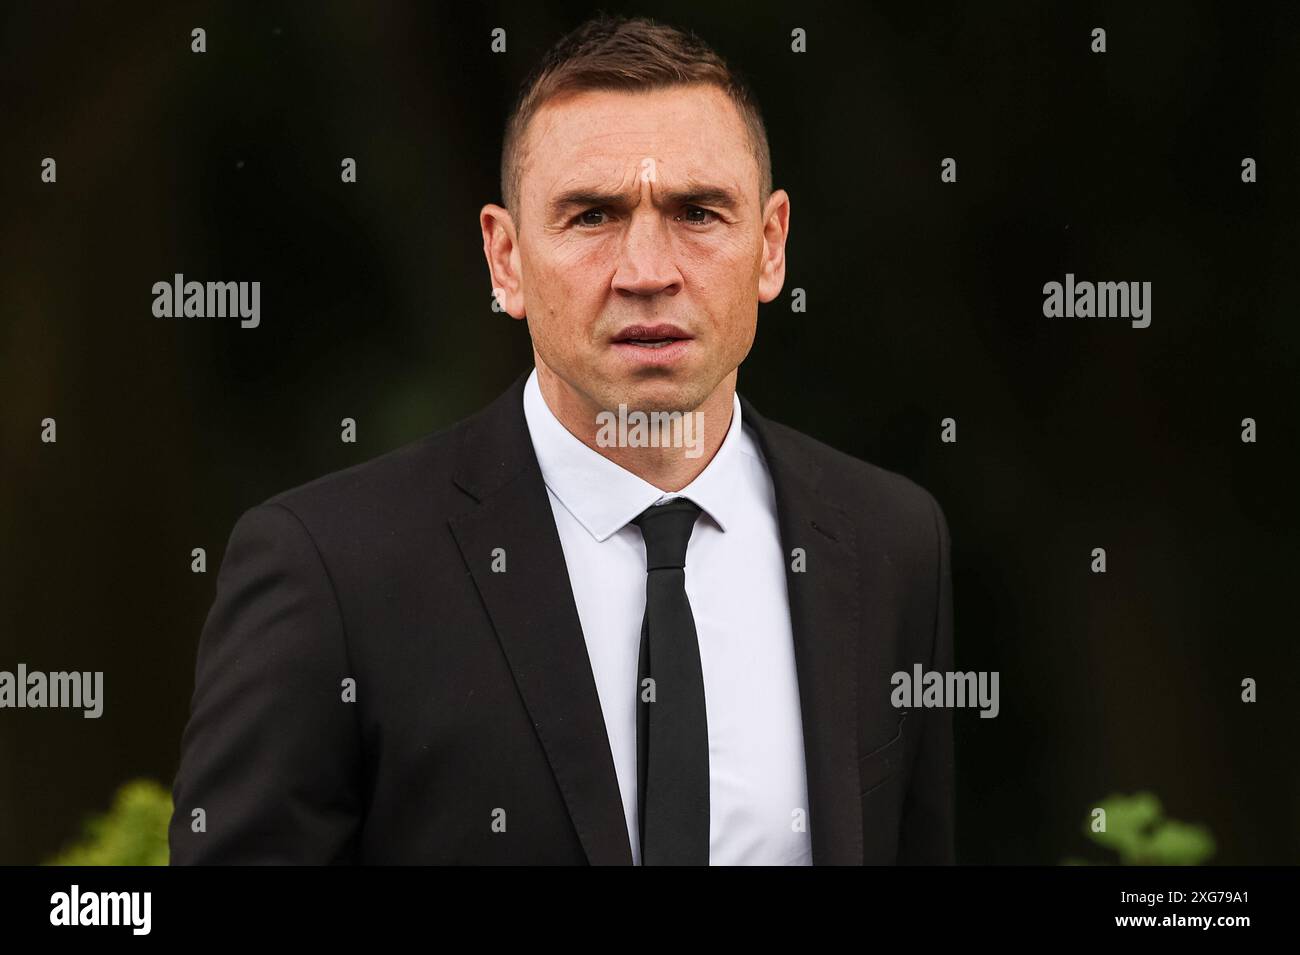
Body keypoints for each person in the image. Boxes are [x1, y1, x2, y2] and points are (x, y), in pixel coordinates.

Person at [169, 13, 954, 866]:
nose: (647, 270)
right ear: (504, 259)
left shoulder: (890, 541)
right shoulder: (330, 570)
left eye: (697, 211)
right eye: (591, 215)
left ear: (770, 246)